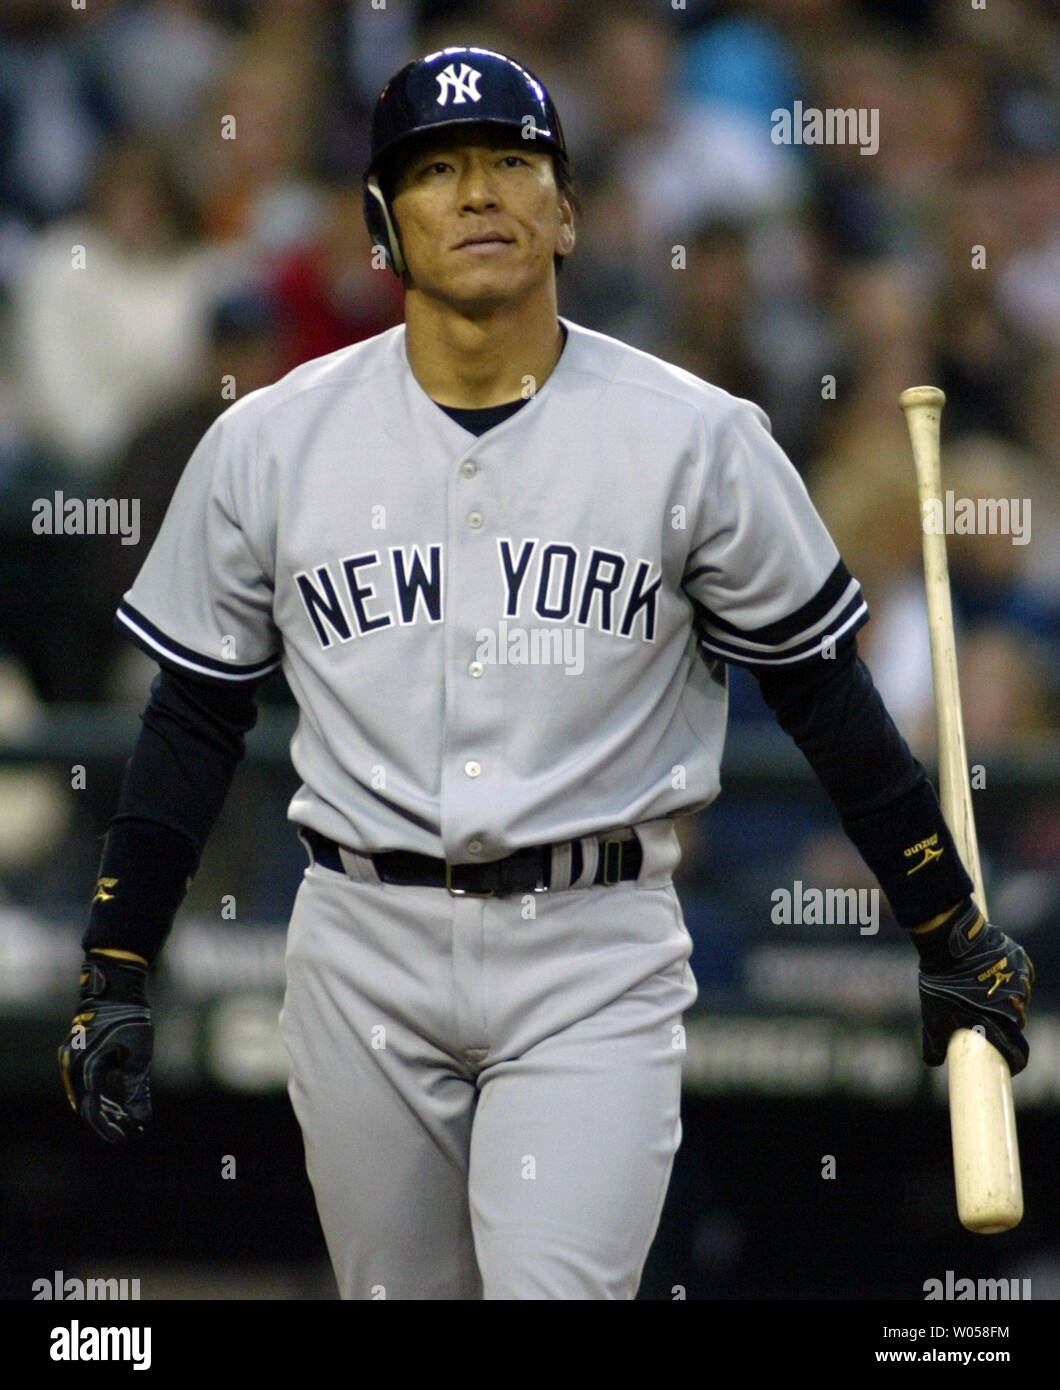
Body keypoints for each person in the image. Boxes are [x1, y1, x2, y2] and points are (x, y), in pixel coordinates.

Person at [58, 47, 1033, 1302]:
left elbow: (824, 697)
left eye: (513, 163)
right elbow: (193, 716)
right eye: (439, 171)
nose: (479, 194)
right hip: (361, 941)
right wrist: (117, 960)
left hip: (592, 943)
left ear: (565, 211)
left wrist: (945, 924)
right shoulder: (269, 441)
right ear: (380, 227)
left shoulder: (696, 438)